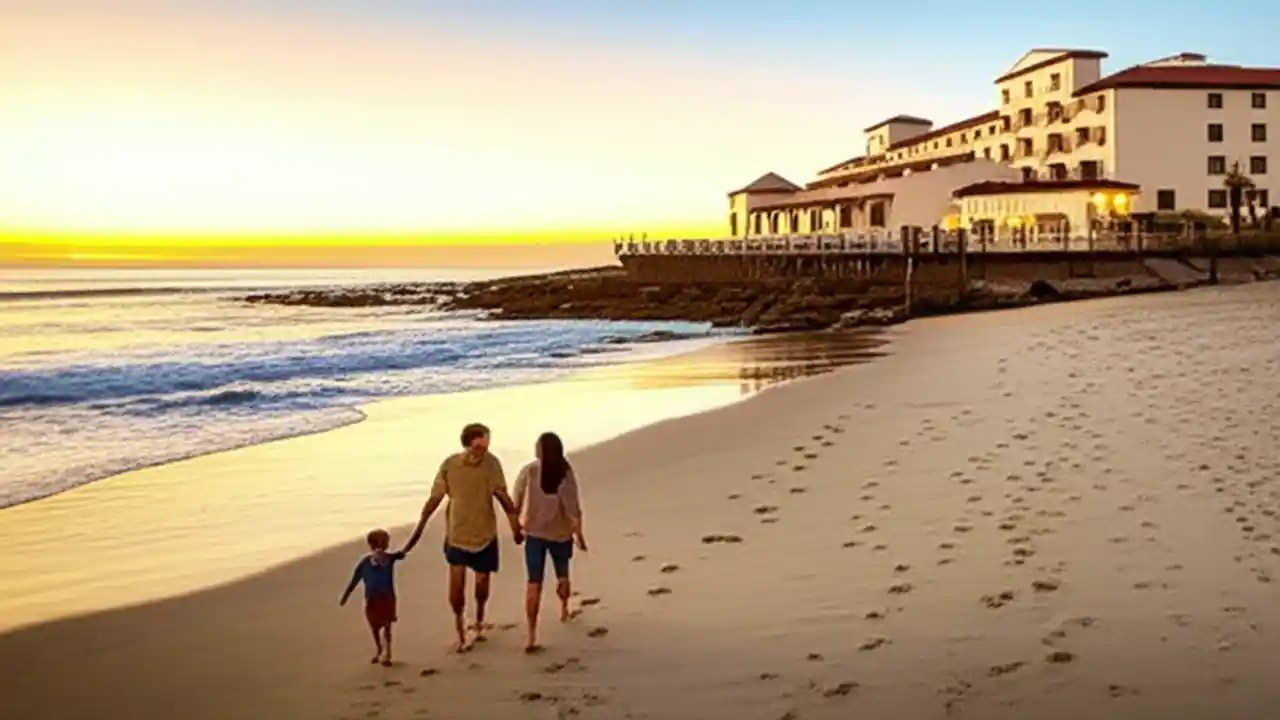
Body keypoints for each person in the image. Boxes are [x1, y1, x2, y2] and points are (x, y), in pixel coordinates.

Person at [400, 422, 523, 653]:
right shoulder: (449, 465)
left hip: (485, 533)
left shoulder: (492, 464)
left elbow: (502, 495)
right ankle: (460, 631)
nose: (483, 451)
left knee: (482, 584)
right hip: (457, 533)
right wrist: (419, 528)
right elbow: (435, 498)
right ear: (468, 444)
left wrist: (515, 526)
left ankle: (479, 620)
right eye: (479, 446)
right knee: (456, 587)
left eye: (485, 445)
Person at [512, 432, 587, 653]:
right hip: (561, 535)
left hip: (534, 534)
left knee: (533, 583)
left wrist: (516, 528)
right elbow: (574, 511)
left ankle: (532, 635)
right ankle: (564, 608)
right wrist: (580, 536)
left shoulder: (529, 471)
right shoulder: (566, 473)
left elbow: (515, 503)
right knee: (563, 575)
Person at [339, 528, 406, 666]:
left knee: (387, 626)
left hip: (387, 597)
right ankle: (380, 649)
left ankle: (387, 653)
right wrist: (346, 595)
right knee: (375, 627)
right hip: (372, 599)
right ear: (371, 546)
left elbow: (402, 554)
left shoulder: (389, 558)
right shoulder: (365, 563)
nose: (382, 547)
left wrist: (405, 549)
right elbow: (355, 579)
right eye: (381, 543)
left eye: (385, 543)